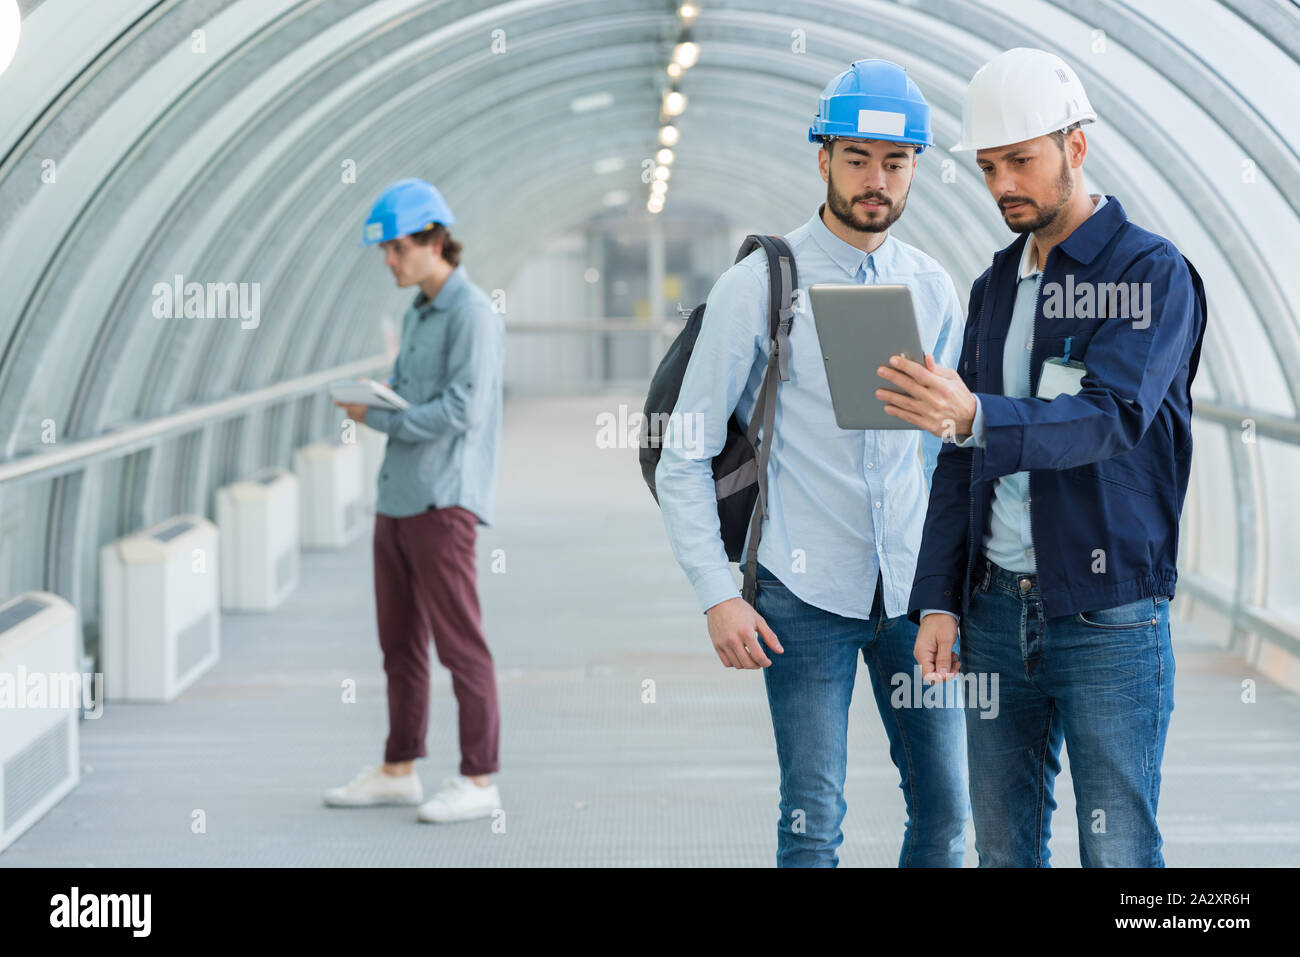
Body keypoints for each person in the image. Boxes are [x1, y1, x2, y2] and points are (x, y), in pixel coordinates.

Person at [883, 48, 1207, 866]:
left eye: (1020, 160)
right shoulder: (994, 285)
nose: (1002, 186)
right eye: (989, 166)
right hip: (992, 614)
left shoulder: (1149, 273)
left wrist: (979, 413)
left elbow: (1109, 417)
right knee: (1004, 852)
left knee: (1121, 852)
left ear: (1076, 147)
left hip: (1108, 613)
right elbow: (963, 456)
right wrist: (939, 599)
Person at [655, 60, 970, 867]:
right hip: (804, 595)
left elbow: (950, 459)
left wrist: (953, 593)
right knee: (812, 819)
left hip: (912, 594)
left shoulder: (932, 288)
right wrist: (717, 594)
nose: (877, 181)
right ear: (821, 157)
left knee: (945, 812)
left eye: (895, 164)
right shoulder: (761, 283)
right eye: (858, 158)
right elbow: (684, 452)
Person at [326, 178, 507, 824]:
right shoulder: (417, 313)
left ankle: (480, 779)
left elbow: (463, 409)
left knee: (461, 645)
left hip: (443, 503)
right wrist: (378, 397)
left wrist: (380, 418)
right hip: (397, 500)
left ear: (434, 242)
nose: (389, 262)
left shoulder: (473, 314)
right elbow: (410, 393)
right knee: (399, 643)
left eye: (396, 248)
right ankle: (399, 768)